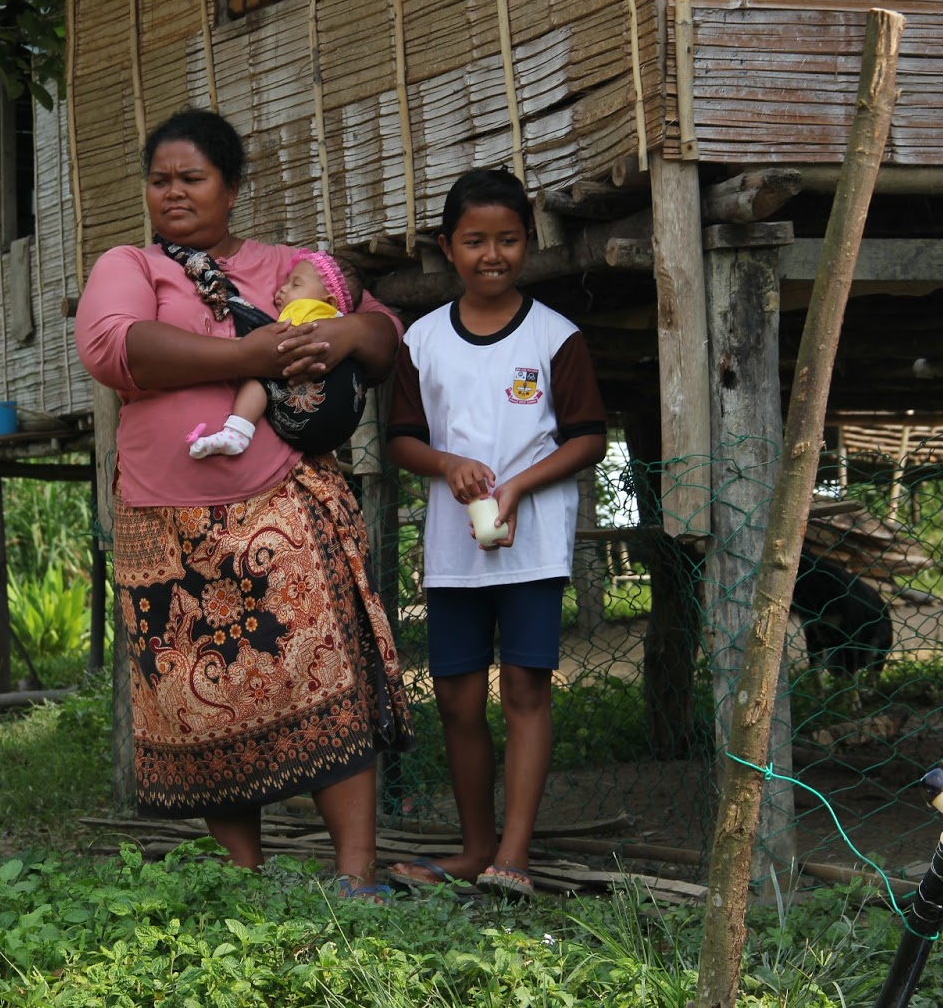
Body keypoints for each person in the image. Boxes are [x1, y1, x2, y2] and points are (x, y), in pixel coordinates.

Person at [74, 108, 414, 899]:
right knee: (202, 706)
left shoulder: (286, 266)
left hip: (280, 507)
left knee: (324, 679)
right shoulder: (130, 264)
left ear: (231, 187)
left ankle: (354, 877)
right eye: (160, 181)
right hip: (162, 523)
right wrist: (244, 355)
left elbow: (381, 330)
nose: (174, 194)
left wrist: (338, 340)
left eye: (192, 179)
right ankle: (245, 882)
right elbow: (112, 346)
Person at [384, 168, 607, 898]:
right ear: (447, 248)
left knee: (525, 691)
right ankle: (475, 847)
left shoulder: (555, 336)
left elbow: (588, 438)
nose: (492, 254)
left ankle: (514, 853)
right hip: (455, 550)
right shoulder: (422, 341)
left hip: (533, 546)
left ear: (529, 244)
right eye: (475, 240)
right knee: (455, 698)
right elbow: (403, 440)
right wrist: (449, 465)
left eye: (508, 240)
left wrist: (517, 485)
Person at [187, 249, 366, 459]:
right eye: (286, 282)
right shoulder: (341, 329)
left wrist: (234, 347)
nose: (282, 289)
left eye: (295, 284)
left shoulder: (307, 310)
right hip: (338, 427)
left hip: (306, 406)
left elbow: (278, 347)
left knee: (257, 369)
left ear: (328, 302)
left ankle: (237, 431)